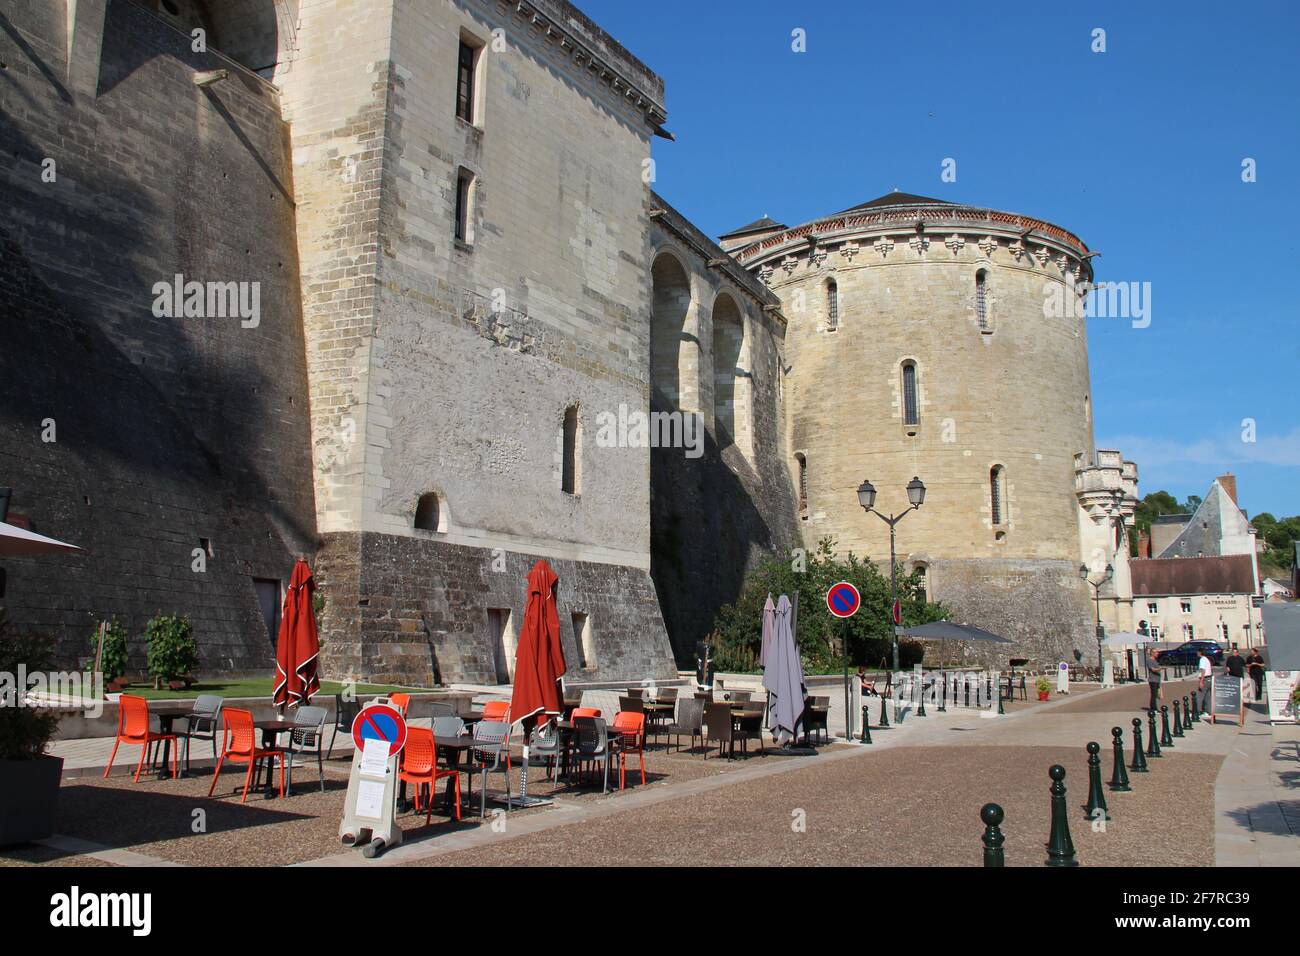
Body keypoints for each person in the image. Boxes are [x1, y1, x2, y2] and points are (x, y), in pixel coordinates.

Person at [1197, 648, 1213, 712]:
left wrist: (1201, 681)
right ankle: (1209, 710)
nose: (1197, 653)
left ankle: (1198, 711)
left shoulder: (1202, 659)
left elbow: (1203, 670)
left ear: (1200, 652)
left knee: (1200, 696)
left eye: (1198, 652)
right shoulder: (1206, 659)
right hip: (1209, 678)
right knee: (1207, 696)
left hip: (1205, 679)